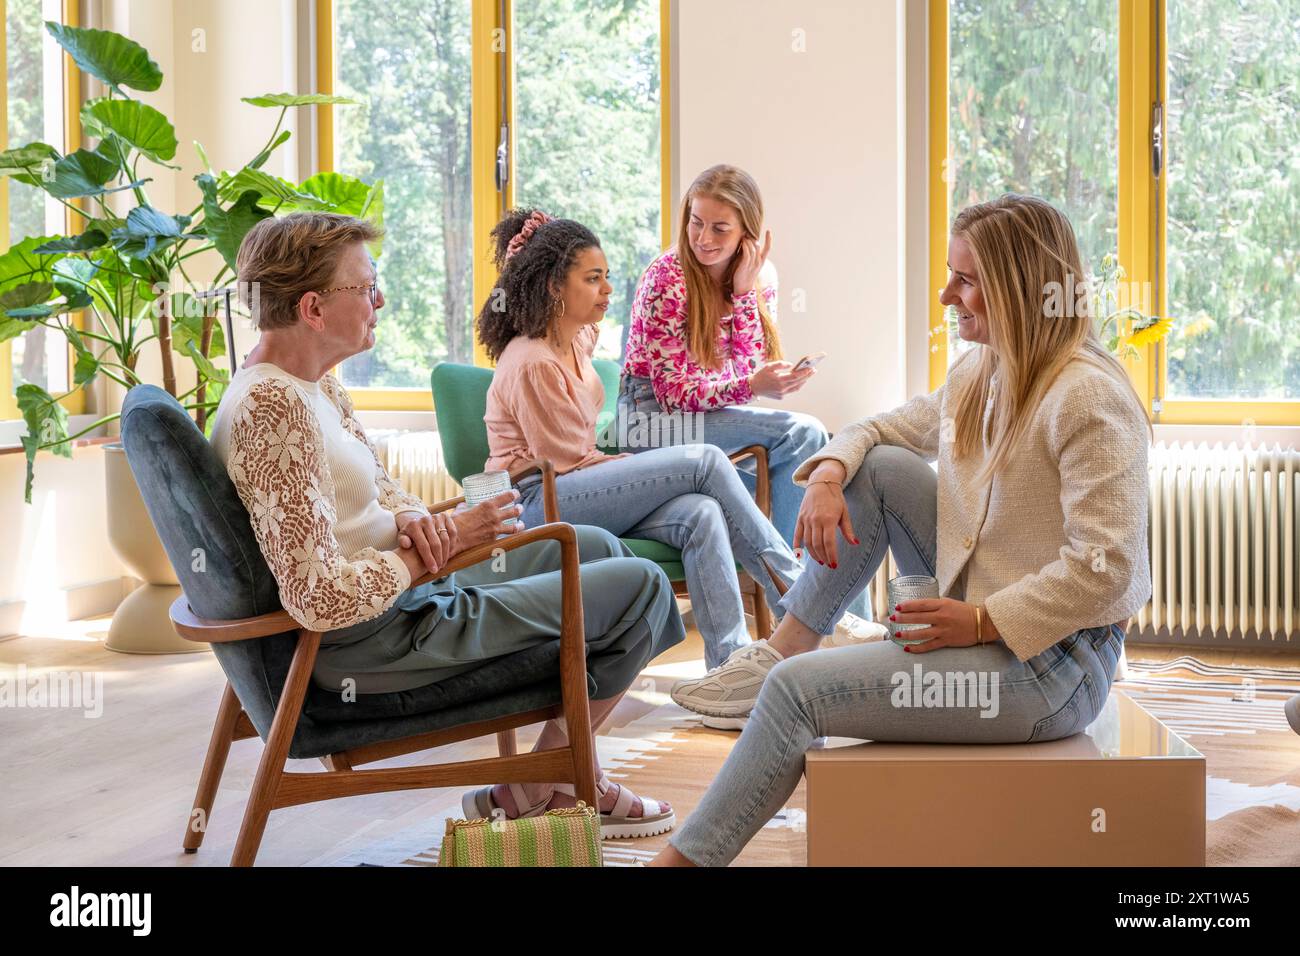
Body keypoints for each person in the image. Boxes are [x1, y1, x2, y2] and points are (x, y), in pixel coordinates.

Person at [651, 194, 1153, 866]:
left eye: (966, 280)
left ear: (1021, 287)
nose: (947, 295)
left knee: (793, 698)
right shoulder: (985, 369)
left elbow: (1109, 571)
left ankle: (678, 864)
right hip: (988, 618)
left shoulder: (1086, 395)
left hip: (1055, 673)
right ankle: (786, 644)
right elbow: (881, 429)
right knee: (878, 466)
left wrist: (978, 624)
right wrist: (827, 476)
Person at [210, 212, 684, 839]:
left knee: (593, 544)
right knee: (643, 587)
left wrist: (412, 517)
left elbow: (376, 486)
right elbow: (317, 595)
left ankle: (547, 782)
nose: (379, 300)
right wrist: (443, 545)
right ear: (313, 309)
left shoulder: (313, 385)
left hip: (412, 592)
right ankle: (561, 780)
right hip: (380, 636)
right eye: (366, 287)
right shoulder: (274, 408)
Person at [481, 208, 878, 712]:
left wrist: (741, 291)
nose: (607, 290)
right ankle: (807, 602)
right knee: (705, 463)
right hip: (537, 502)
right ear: (556, 287)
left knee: (700, 513)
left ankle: (728, 677)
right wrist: (646, 466)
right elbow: (567, 464)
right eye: (593, 278)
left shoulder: (577, 336)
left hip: (576, 481)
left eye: (605, 276)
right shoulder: (533, 361)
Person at [619, 164, 882, 636]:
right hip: (649, 420)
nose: (703, 237)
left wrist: (742, 292)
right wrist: (753, 387)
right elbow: (673, 392)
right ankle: (811, 620)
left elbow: (742, 369)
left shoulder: (761, 277)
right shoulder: (666, 276)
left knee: (830, 466)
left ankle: (846, 622)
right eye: (696, 222)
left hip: (706, 415)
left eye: (720, 227)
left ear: (747, 231)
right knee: (803, 434)